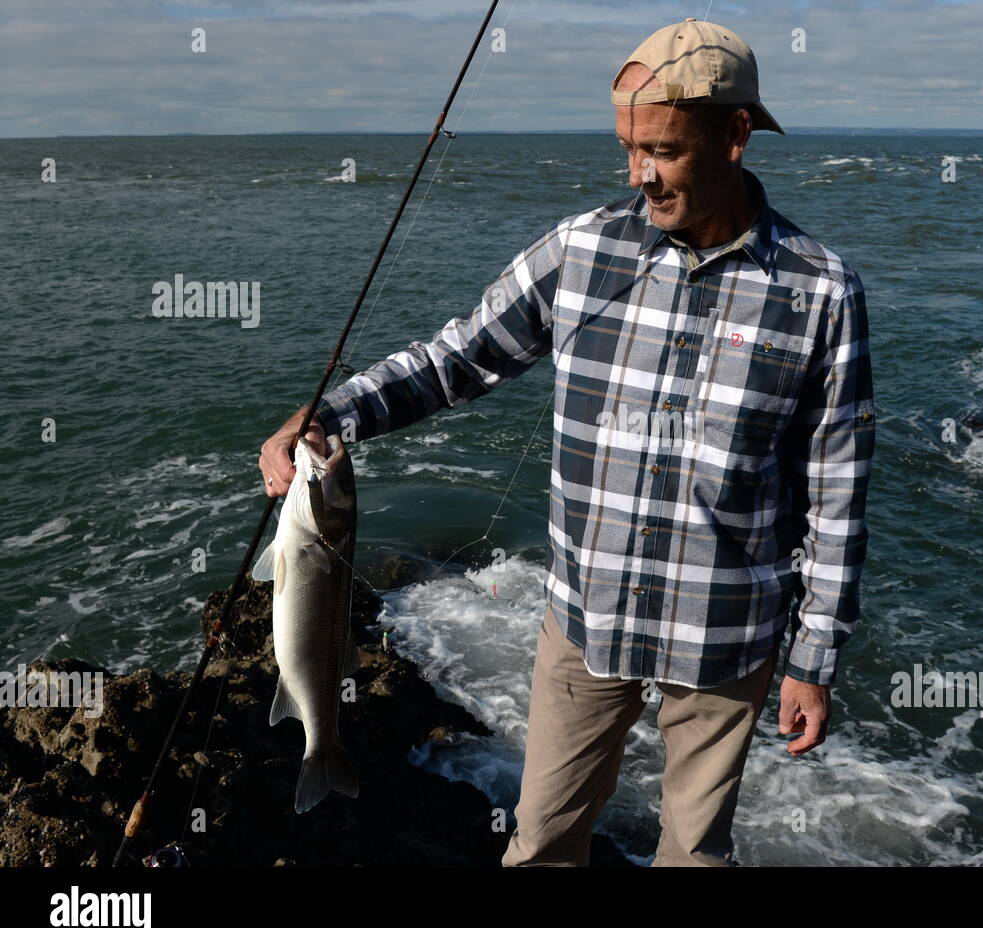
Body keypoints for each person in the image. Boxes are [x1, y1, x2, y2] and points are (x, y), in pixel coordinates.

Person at [259, 17, 874, 866]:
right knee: (541, 841)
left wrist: (813, 656)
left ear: (734, 135)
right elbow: (452, 361)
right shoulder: (580, 251)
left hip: (727, 628)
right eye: (627, 148)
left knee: (696, 852)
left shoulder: (821, 290)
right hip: (589, 614)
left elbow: (836, 492)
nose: (638, 174)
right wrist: (330, 415)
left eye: (661, 149)